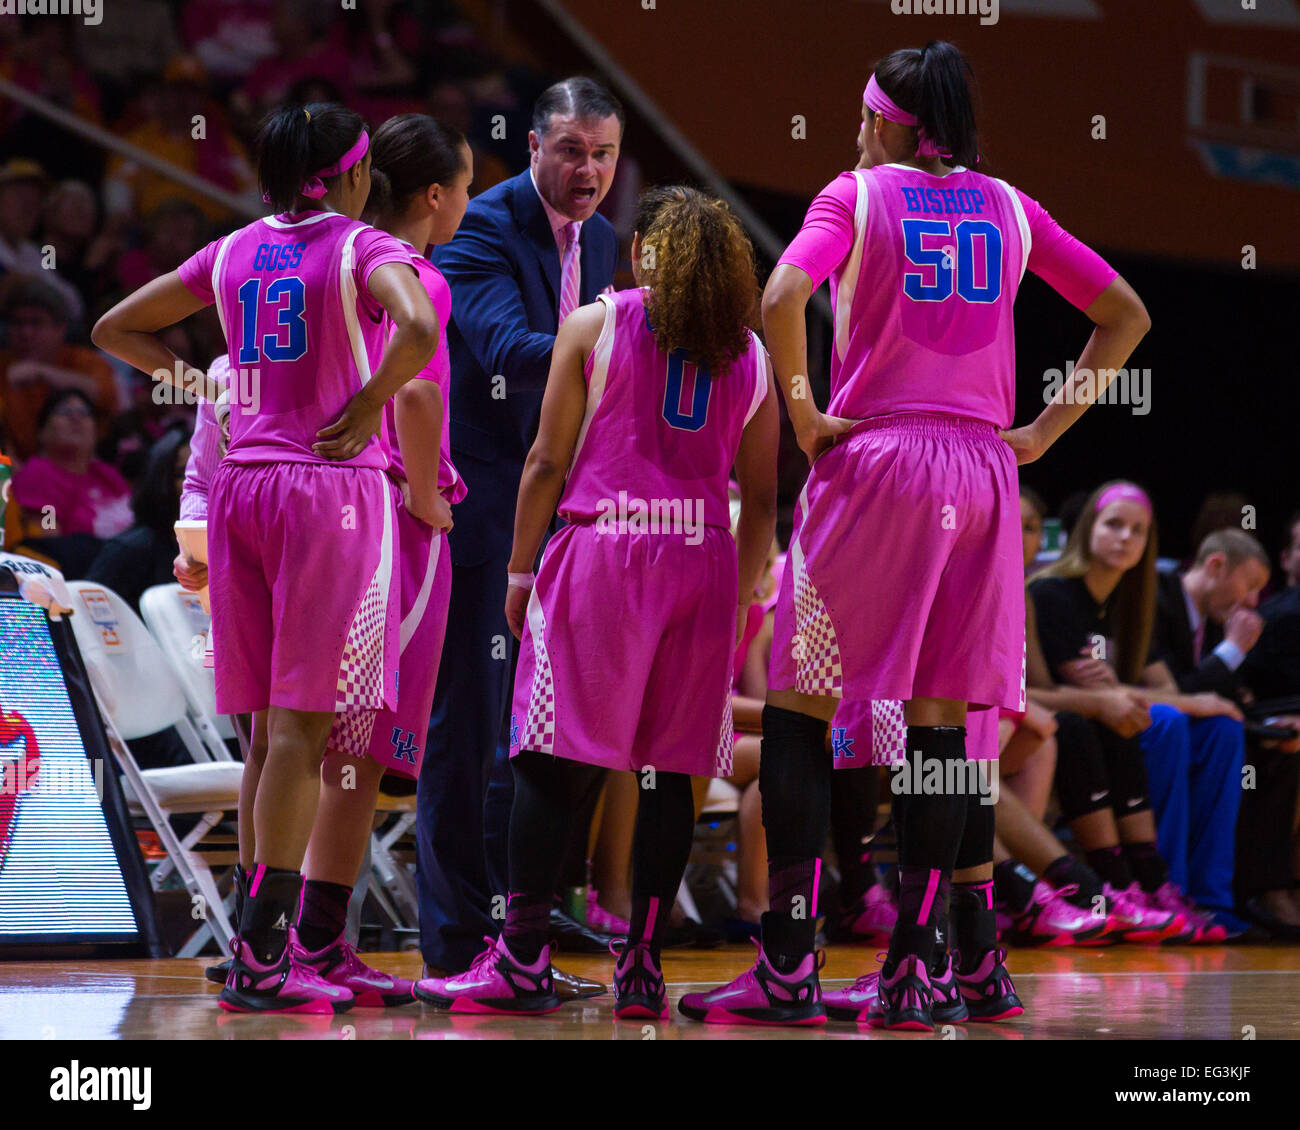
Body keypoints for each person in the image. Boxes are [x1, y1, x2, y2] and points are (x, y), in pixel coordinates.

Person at [682, 41, 1150, 1031]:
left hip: (879, 462)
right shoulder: (1011, 206)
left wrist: (804, 415)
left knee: (805, 713)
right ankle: (914, 969)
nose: (857, 131)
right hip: (980, 472)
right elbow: (1124, 314)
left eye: (863, 115)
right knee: (943, 732)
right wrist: (1041, 432)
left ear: (891, 120)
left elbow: (778, 296)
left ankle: (787, 965)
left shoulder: (856, 193)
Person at [92, 101, 439, 1013]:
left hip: (243, 485)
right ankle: (265, 959)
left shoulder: (235, 249)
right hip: (327, 493)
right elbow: (418, 329)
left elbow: (115, 329)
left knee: (261, 740)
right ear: (359, 175)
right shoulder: (365, 248)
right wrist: (369, 407)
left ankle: (254, 946)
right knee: (304, 735)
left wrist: (209, 387)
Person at [414, 185, 778, 1019]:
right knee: (671, 773)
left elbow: (545, 462)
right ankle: (645, 965)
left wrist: (516, 572)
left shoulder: (597, 322)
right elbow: (761, 501)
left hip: (603, 552)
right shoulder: (752, 354)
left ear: (648, 251)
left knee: (551, 760)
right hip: (702, 557)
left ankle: (522, 956)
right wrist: (739, 597)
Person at [417, 77, 622, 981]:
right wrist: (636, 344)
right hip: (480, 510)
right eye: (572, 150)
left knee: (547, 735)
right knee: (467, 736)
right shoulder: (485, 228)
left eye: (605, 154)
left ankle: (525, 927)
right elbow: (510, 354)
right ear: (533, 145)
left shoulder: (608, 239)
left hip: (566, 516)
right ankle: (459, 940)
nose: (589, 170)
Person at [1032, 482, 1249, 939]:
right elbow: (1091, 692)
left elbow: (1153, 687)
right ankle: (1132, 879)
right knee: (1139, 719)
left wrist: (1188, 701)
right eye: (1114, 525)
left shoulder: (1130, 603)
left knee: (1200, 724)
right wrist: (1186, 699)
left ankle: (1183, 890)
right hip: (1062, 721)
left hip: (1097, 721)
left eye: (1137, 531)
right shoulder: (1054, 593)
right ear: (1089, 527)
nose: (1125, 538)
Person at [10, 387, 133, 576]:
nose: (76, 418)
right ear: (42, 432)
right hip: (80, 576)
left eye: (84, 413)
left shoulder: (107, 474)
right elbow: (50, 538)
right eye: (64, 412)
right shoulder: (38, 476)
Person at [0, 277, 119, 461]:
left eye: (36, 323)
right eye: (18, 323)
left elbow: (107, 395)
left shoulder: (85, 361)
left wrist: (41, 371)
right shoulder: (3, 364)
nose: (26, 333)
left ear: (60, 328)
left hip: (87, 467)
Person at [85, 426, 191, 611]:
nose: (199, 482)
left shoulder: (227, 545)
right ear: (161, 481)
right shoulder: (129, 550)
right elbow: (88, 614)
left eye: (208, 471)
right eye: (183, 473)